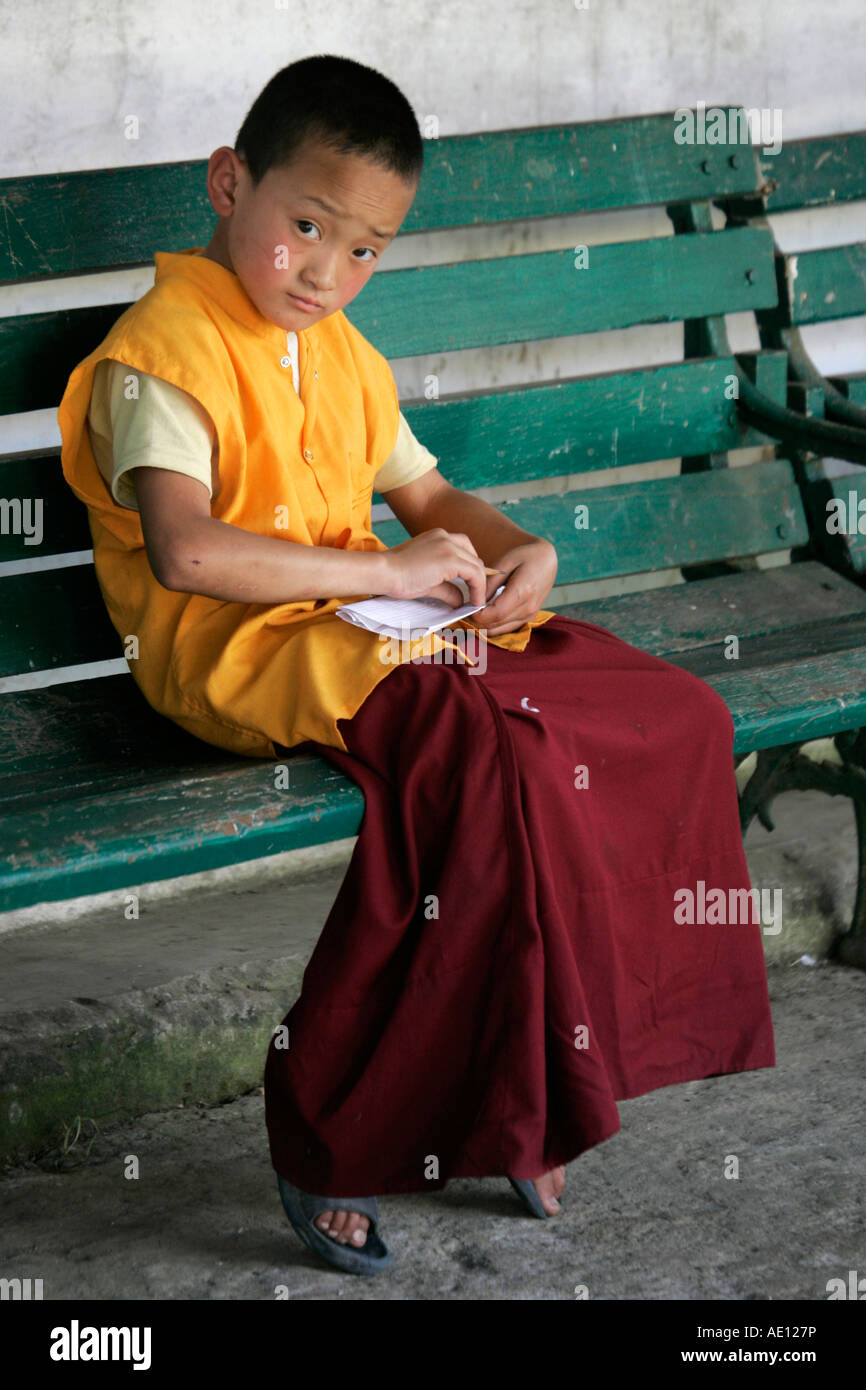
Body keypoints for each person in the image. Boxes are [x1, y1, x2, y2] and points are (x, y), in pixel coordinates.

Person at [58, 54, 775, 1277]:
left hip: (369, 628)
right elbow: (184, 553)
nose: (328, 273)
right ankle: (335, 1129)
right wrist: (386, 576)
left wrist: (523, 549)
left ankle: (540, 1091)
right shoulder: (163, 351)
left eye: (365, 250)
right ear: (230, 183)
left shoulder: (341, 353)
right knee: (490, 766)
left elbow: (427, 491)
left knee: (659, 711)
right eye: (304, 227)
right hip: (237, 648)